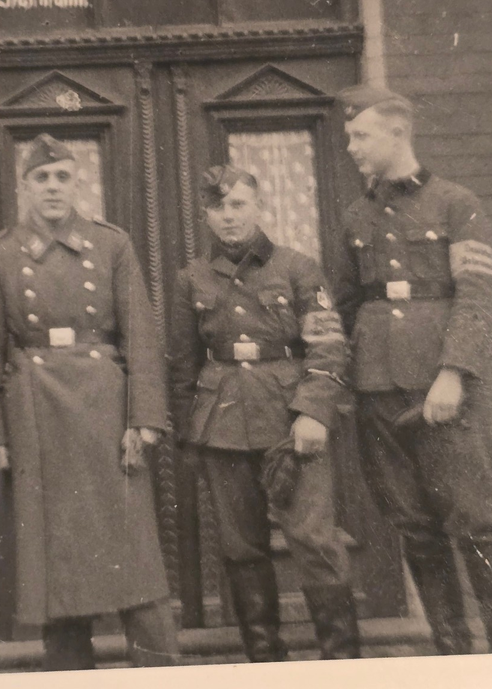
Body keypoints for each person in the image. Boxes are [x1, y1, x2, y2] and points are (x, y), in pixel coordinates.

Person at [0, 134, 178, 670]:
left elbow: (141, 336)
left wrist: (145, 419)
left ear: (77, 182)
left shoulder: (110, 245)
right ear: (25, 187)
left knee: (134, 554)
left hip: (106, 412)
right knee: (56, 558)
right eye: (41, 178)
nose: (53, 188)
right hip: (36, 416)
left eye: (62, 176)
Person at [332, 85, 492, 654]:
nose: (351, 147)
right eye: (348, 137)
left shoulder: (456, 204)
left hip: (445, 392)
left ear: (398, 132)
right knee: (415, 528)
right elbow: (342, 307)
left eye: (360, 135)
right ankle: (451, 657)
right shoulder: (354, 216)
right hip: (377, 390)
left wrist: (454, 372)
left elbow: (478, 295)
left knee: (479, 524)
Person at [169, 165, 360, 662]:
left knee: (314, 539)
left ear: (257, 207)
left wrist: (315, 411)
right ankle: (266, 663)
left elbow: (327, 346)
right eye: (218, 207)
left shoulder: (297, 268)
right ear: (206, 215)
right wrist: (190, 438)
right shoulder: (191, 279)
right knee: (241, 548)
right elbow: (183, 366)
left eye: (238, 205)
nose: (229, 216)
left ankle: (342, 663)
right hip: (222, 423)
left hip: (291, 419)